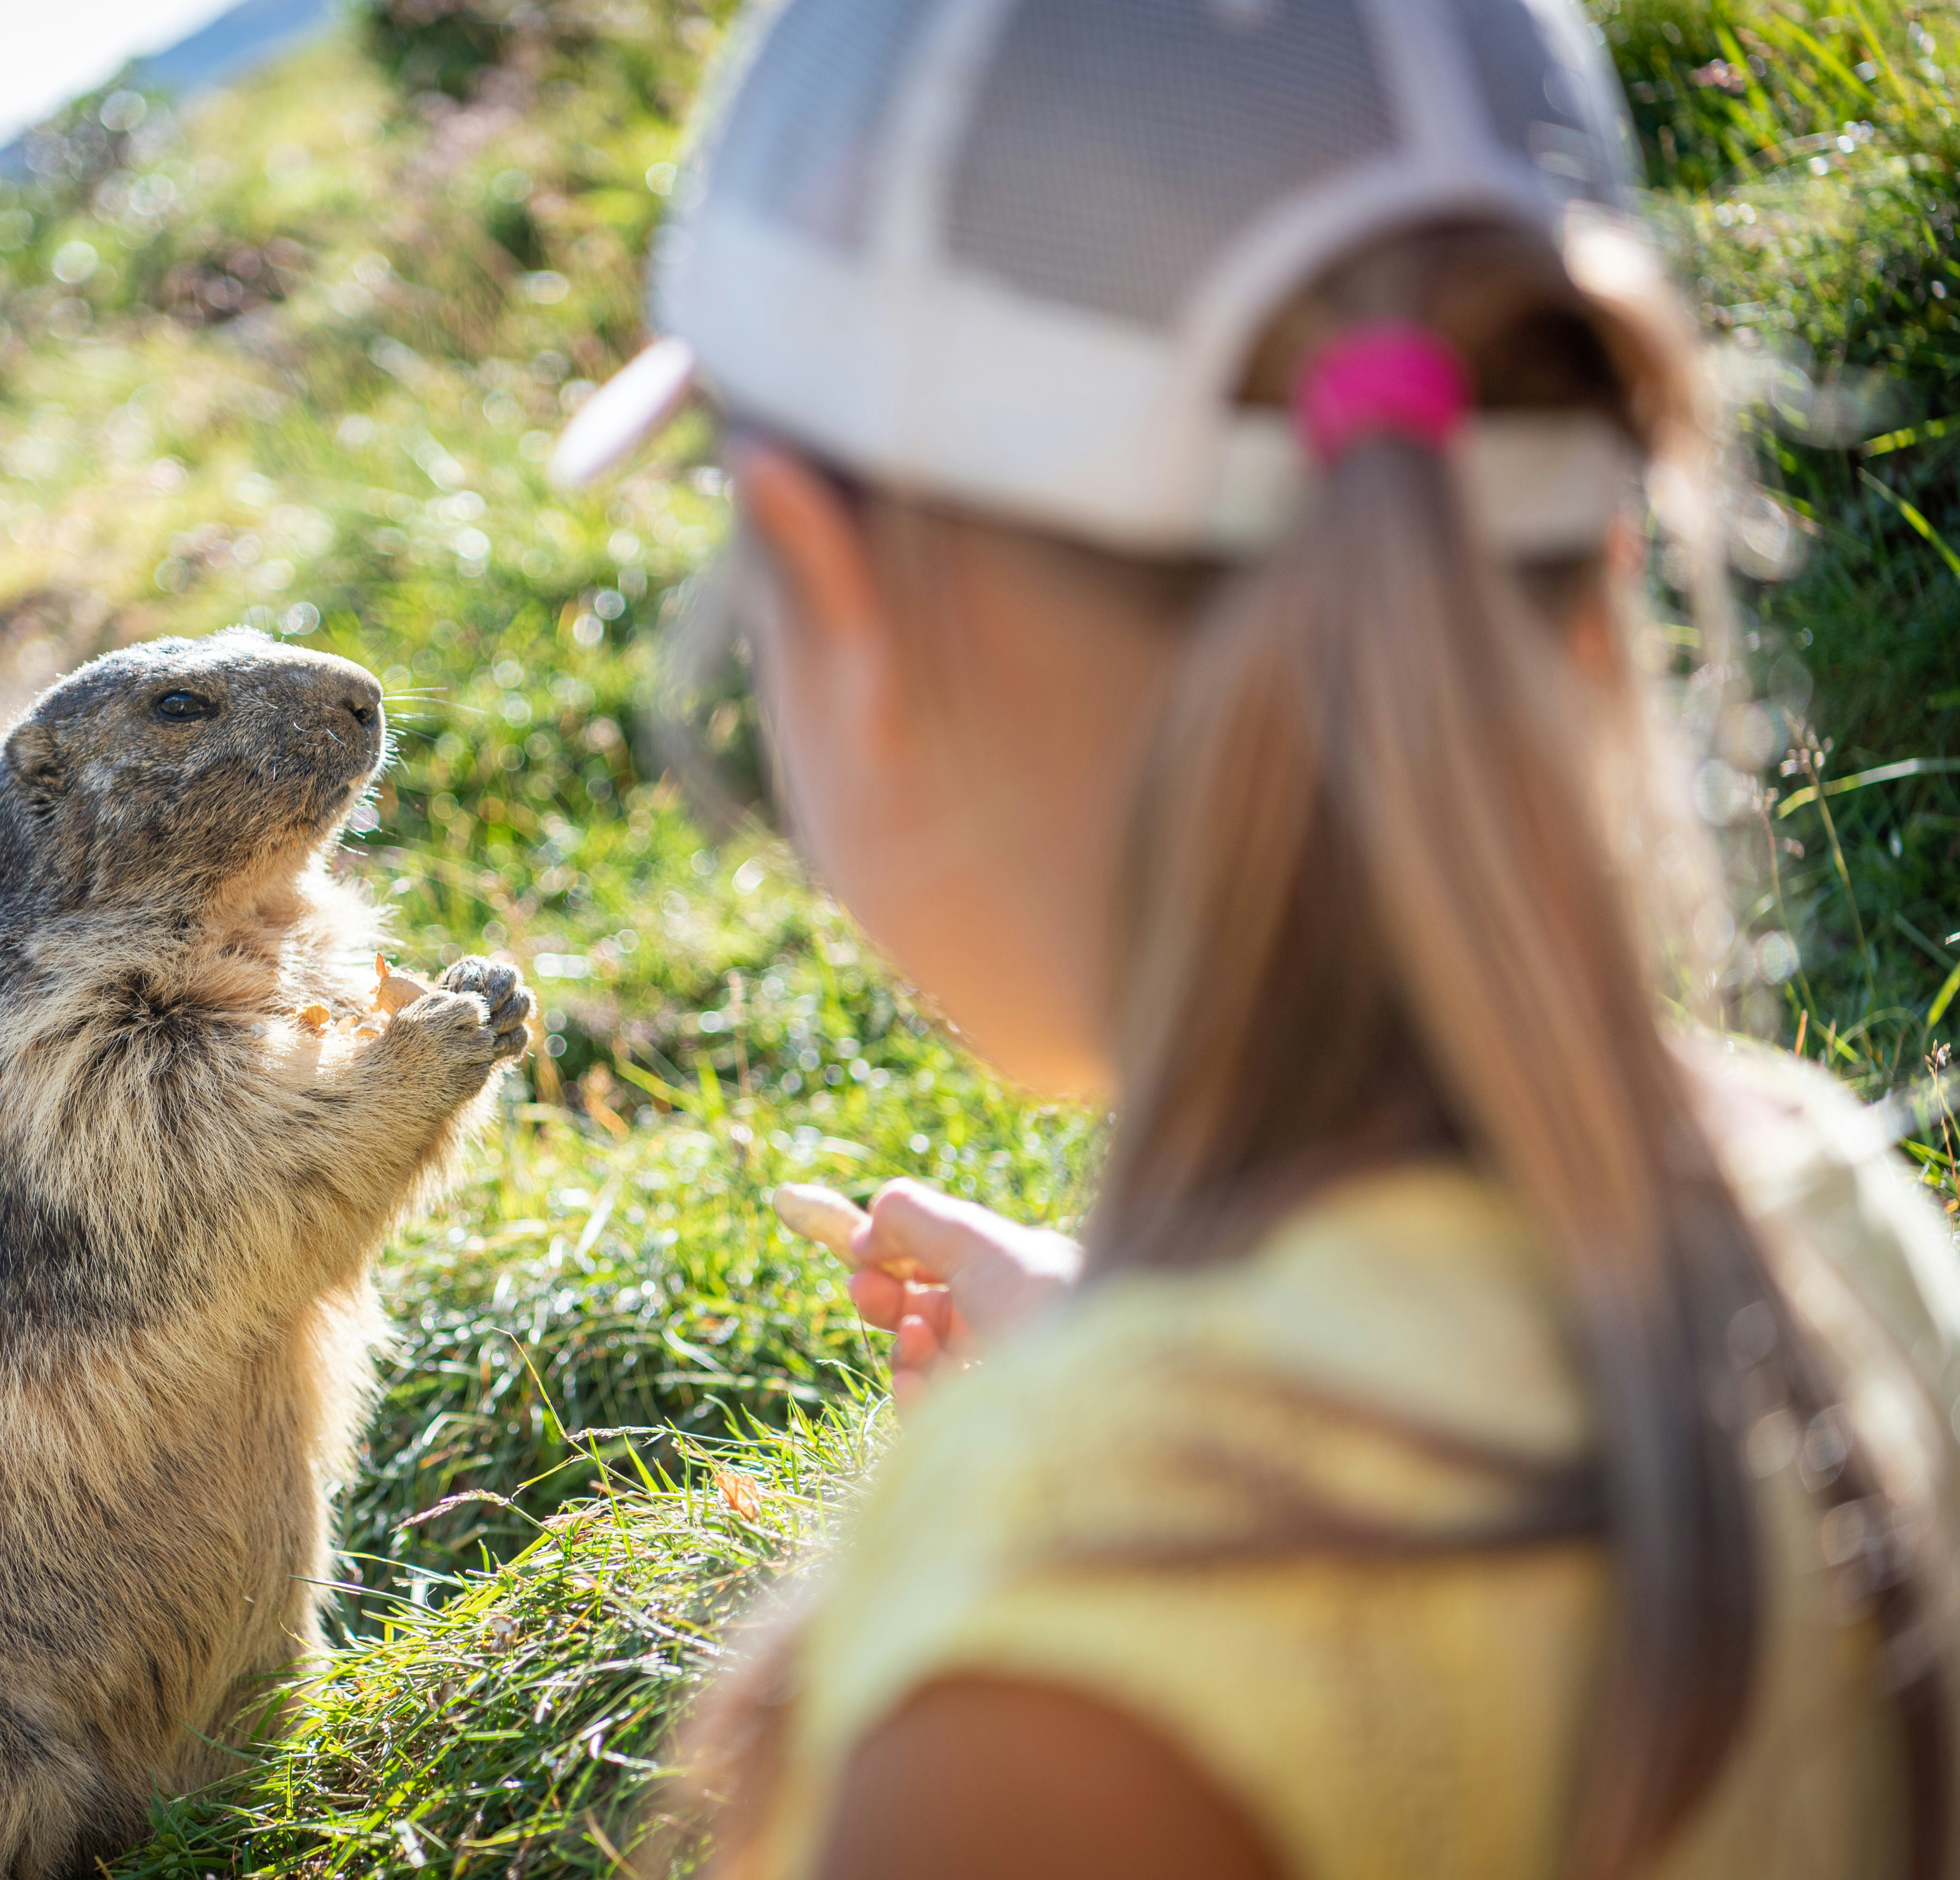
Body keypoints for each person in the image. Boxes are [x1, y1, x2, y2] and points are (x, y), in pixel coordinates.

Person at [545, 1, 1960, 1876]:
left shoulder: (1049, 1669)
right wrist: (1137, 1345)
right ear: (1582, 552)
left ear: (831, 586)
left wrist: (1088, 1451)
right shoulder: (1816, 1200)